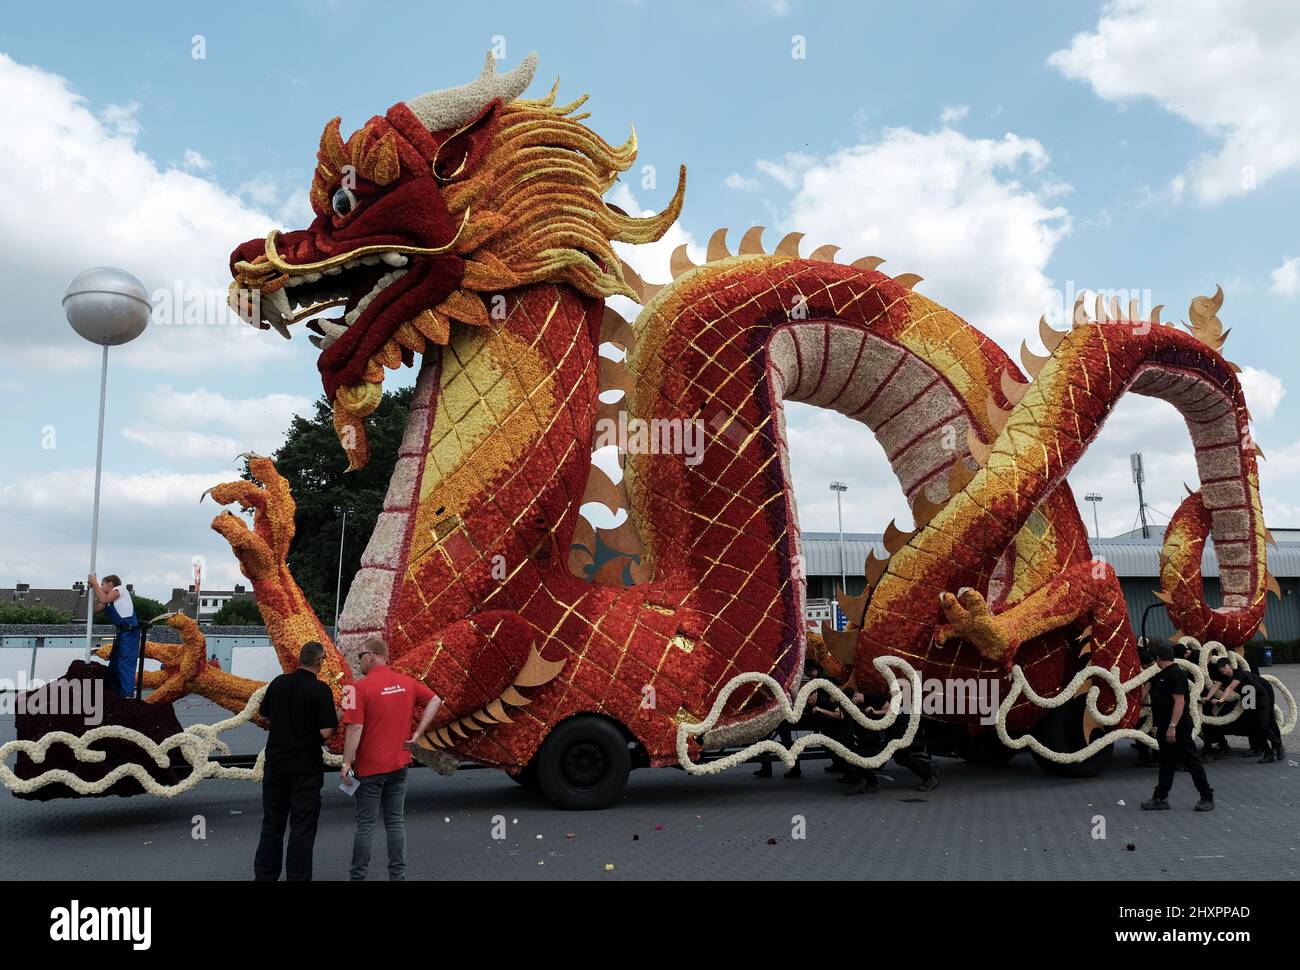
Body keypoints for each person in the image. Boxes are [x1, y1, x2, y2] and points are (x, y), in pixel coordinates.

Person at [340, 637, 442, 881]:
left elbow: (354, 728)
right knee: (395, 822)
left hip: (370, 769)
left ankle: (357, 877)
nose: (358, 661)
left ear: (373, 655)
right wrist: (417, 734)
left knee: (365, 826)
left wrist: (345, 763)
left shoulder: (358, 688)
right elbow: (435, 700)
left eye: (360, 656)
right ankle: (398, 876)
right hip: (399, 765)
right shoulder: (406, 683)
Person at [254, 641, 338, 881]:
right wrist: (338, 717)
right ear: (319, 661)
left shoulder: (279, 683)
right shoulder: (321, 690)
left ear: (300, 659)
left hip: (276, 765)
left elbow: (265, 713)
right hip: (306, 767)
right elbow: (325, 732)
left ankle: (264, 876)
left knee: (272, 824)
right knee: (302, 828)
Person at [1141, 644, 1213, 812]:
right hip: (1166, 726)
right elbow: (1148, 685)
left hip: (1178, 727)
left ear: (1159, 659)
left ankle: (1206, 797)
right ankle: (1160, 798)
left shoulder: (1175, 674)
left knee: (1191, 761)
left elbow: (1179, 702)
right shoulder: (1163, 674)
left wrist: (1172, 726)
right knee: (1166, 762)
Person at [1206, 656, 1284, 763]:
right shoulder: (1223, 676)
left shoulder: (1239, 673)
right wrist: (1207, 698)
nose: (1222, 669)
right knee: (1254, 727)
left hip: (1260, 697)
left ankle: (1278, 746)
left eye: (1224, 666)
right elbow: (1215, 686)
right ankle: (1268, 753)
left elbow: (1230, 687)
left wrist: (1221, 700)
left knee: (1262, 725)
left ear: (1230, 666)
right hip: (1248, 700)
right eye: (1220, 667)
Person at [88, 573, 140, 697]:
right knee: (115, 664)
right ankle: (115, 692)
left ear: (111, 583)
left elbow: (104, 599)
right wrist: (93, 590)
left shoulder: (120, 590)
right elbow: (94, 609)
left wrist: (94, 583)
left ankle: (127, 695)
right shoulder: (110, 601)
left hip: (129, 632)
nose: (101, 586)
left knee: (126, 663)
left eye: (102, 584)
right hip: (122, 633)